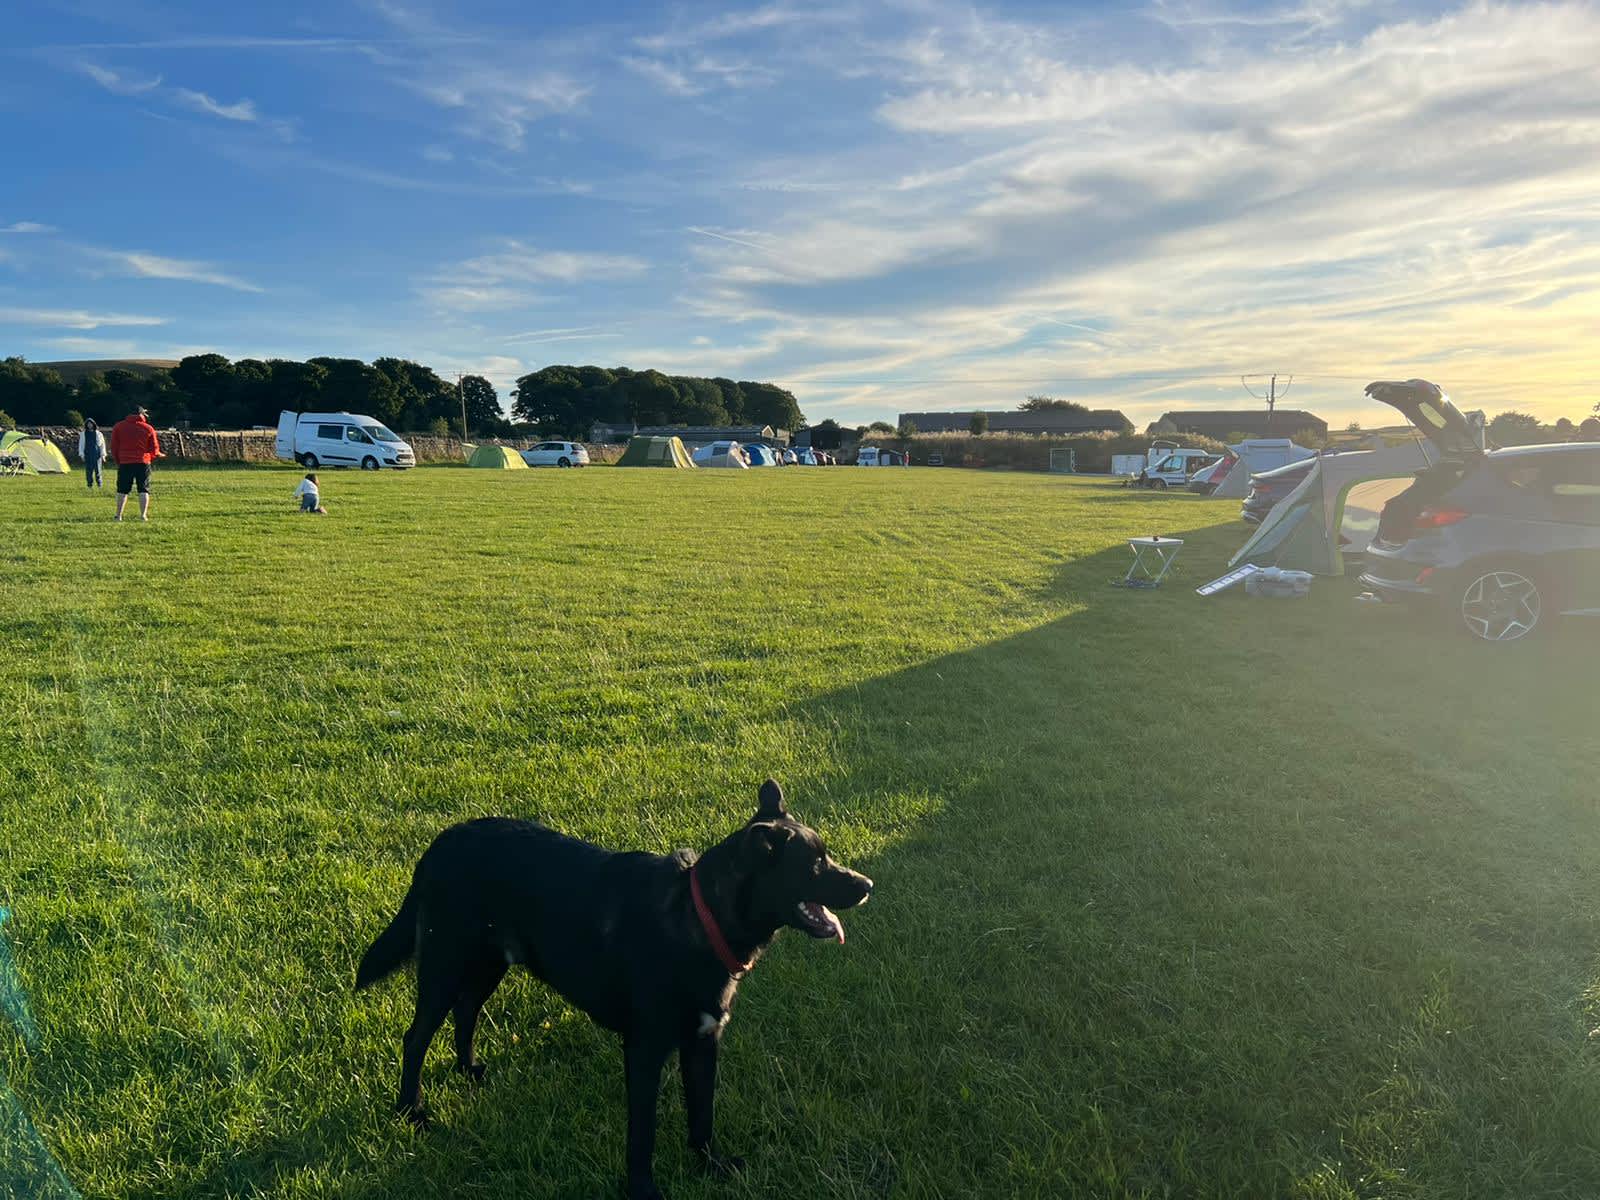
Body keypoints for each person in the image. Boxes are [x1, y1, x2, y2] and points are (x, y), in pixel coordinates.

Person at [109, 406, 164, 521]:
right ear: (141, 414)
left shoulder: (118, 427)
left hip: (125, 462)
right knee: (143, 489)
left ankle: (118, 515)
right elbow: (154, 447)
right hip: (143, 462)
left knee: (122, 490)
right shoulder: (148, 428)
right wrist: (154, 456)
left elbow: (114, 447)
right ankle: (143, 515)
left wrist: (118, 460)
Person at [78, 418, 107, 489]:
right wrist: (82, 455)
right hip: (88, 454)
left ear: (93, 424)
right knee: (89, 471)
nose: (89, 425)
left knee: (98, 470)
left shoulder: (98, 434)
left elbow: (102, 445)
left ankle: (99, 484)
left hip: (97, 454)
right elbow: (81, 444)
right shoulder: (83, 434)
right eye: (88, 424)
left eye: (91, 424)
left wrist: (103, 455)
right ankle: (89, 485)